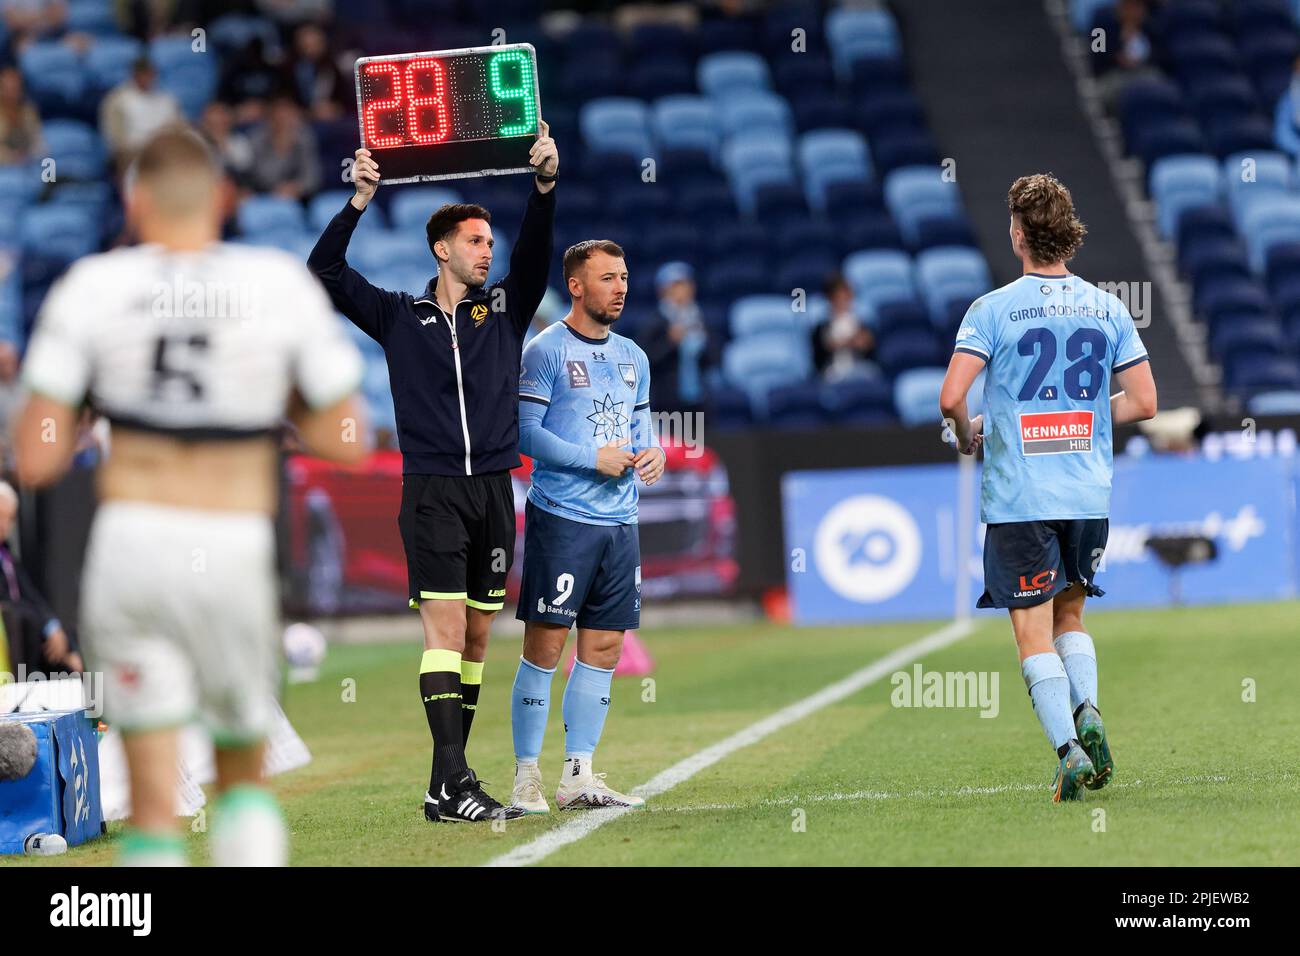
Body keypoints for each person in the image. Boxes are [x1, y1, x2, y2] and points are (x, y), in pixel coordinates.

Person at [13, 124, 368, 864]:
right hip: (232, 547)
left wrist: (98, 411)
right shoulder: (274, 283)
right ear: (225, 196)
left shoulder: (92, 287)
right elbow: (348, 438)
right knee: (241, 781)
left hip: (130, 550)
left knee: (152, 805)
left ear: (133, 200)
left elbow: (35, 460)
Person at [307, 123, 559, 823]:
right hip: (433, 494)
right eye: (475, 242)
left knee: (478, 638)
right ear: (442, 248)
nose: (487, 252)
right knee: (445, 633)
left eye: (489, 242)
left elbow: (536, 256)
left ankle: (443, 785)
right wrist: (358, 200)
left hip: (495, 492)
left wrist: (544, 186)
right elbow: (323, 272)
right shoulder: (396, 315)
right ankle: (455, 782)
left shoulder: (503, 311)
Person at [939, 173, 1157, 802]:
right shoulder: (1107, 306)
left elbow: (952, 396)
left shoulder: (993, 309)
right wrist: (1086, 416)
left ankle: (1067, 753)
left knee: (1032, 631)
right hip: (1087, 493)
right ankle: (1087, 708)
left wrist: (966, 433)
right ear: (1068, 234)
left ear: (1016, 234)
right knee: (1072, 614)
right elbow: (1143, 402)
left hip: (1020, 497)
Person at [509, 239, 666, 814]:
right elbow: (524, 434)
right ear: (575, 286)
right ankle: (526, 776)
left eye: (624, 276)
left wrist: (653, 455)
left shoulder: (634, 356)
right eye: (607, 278)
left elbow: (641, 425)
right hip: (564, 517)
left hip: (620, 521)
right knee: (544, 648)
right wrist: (588, 459)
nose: (620, 287)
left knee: (603, 646)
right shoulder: (544, 351)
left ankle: (579, 775)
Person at [0, 480, 81, 676]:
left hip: (28, 635)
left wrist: (52, 625)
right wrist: (46, 627)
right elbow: (9, 603)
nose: (4, 525)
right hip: (17, 639)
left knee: (70, 639)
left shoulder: (7, 554)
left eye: (9, 519)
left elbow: (32, 596)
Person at [639, 261, 707, 414]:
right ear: (663, 290)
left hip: (698, 400)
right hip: (666, 402)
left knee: (698, 437)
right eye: (676, 285)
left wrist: (705, 340)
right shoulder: (654, 321)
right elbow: (645, 361)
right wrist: (670, 342)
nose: (683, 290)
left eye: (686, 284)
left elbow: (713, 359)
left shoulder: (699, 318)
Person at [98, 57, 181, 171]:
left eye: (149, 74)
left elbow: (178, 129)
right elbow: (115, 139)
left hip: (164, 153)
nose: (146, 78)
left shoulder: (166, 100)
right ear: (134, 75)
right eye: (142, 74)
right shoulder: (118, 101)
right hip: (132, 155)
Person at [245, 93, 320, 199]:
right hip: (263, 196)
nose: (283, 118)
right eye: (278, 112)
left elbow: (312, 177)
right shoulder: (257, 138)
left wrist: (297, 188)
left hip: (299, 198)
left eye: (287, 112)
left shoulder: (304, 137)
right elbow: (259, 177)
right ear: (270, 115)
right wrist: (281, 148)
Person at [812, 271, 876, 382]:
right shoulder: (821, 327)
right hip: (832, 371)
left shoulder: (861, 324)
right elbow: (818, 358)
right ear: (830, 300)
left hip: (859, 368)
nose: (843, 301)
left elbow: (871, 351)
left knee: (870, 373)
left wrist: (865, 344)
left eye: (847, 297)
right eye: (839, 298)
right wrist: (832, 346)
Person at [0, 66, 43, 165]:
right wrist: (10, 156)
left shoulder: (28, 111)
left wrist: (29, 154)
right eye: (8, 87)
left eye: (15, 87)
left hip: (27, 163)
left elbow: (39, 143)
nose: (12, 92)